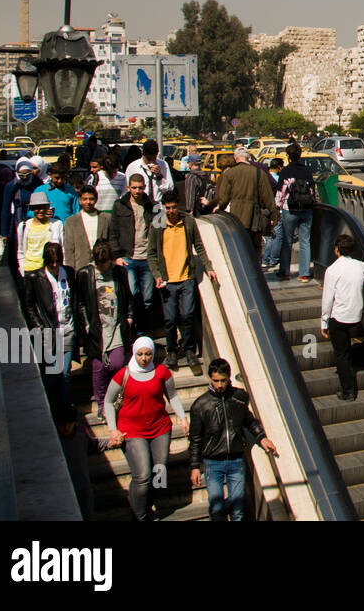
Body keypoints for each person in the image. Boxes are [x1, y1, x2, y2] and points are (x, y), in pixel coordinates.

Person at [104, 336, 188, 522]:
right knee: (142, 475)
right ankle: (140, 516)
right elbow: (108, 401)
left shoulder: (162, 372)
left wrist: (182, 417)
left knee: (160, 473)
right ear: (134, 353)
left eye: (148, 354)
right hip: (132, 431)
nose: (144, 358)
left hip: (160, 428)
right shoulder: (123, 374)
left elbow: (172, 396)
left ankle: (145, 505)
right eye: (140, 354)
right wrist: (112, 429)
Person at [187, 358, 279, 521]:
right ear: (210, 379)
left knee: (238, 509)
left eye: (223, 380)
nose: (220, 385)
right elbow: (195, 438)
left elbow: (249, 421)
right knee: (217, 509)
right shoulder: (200, 405)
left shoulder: (239, 397)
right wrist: (195, 466)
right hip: (212, 461)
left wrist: (262, 438)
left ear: (229, 377)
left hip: (236, 460)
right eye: (216, 381)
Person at [148, 190, 215, 373]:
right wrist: (157, 274)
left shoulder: (188, 222)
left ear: (179, 206)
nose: (170, 211)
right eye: (167, 208)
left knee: (187, 315)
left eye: (173, 207)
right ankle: (171, 350)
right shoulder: (158, 224)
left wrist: (208, 266)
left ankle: (188, 349)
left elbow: (198, 246)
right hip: (168, 280)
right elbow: (152, 253)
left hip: (186, 277)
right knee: (170, 318)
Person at [320, 234, 364, 401]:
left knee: (341, 354)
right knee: (347, 349)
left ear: (336, 250)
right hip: (355, 316)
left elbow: (328, 298)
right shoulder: (360, 265)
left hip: (339, 317)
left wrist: (324, 321)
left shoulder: (332, 270)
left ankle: (348, 390)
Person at [76, 239, 133, 424]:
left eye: (106, 263)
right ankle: (102, 404)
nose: (104, 267)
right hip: (97, 328)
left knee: (115, 365)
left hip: (116, 326)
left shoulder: (119, 273)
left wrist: (129, 317)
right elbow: (81, 302)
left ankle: (115, 398)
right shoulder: (85, 274)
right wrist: (86, 324)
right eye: (100, 264)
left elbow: (128, 297)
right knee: (98, 368)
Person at [22, 241, 77, 403]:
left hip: (67, 328)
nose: (54, 266)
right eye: (51, 262)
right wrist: (38, 325)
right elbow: (28, 304)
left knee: (65, 373)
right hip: (49, 332)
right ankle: (55, 408)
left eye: (57, 261)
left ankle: (63, 409)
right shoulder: (35, 277)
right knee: (53, 373)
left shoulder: (68, 273)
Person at [214, 146, 277, 261]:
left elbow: (223, 198)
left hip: (236, 219)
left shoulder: (229, 174)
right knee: (255, 249)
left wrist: (218, 208)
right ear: (248, 157)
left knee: (240, 249)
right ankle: (256, 272)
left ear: (235, 158)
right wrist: (274, 216)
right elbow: (268, 198)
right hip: (255, 219)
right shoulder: (259, 173)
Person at [110, 174, 157, 316]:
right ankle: (133, 328)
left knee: (148, 297)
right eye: (134, 188)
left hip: (147, 257)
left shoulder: (153, 206)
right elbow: (113, 232)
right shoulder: (119, 205)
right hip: (128, 257)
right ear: (129, 187)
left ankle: (143, 328)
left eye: (140, 188)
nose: (137, 191)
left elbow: (161, 232)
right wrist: (117, 256)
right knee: (131, 294)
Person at [54, 402, 111, 520]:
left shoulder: (80, 432)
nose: (65, 428)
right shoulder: (53, 439)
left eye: (69, 424)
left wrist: (110, 442)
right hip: (61, 490)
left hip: (83, 488)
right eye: (62, 425)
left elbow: (93, 444)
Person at [274, 143, 317, 281]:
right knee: (305, 241)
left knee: (287, 240)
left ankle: (284, 272)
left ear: (288, 156)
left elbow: (281, 191)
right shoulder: (306, 171)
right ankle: (304, 273)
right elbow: (312, 190)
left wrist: (278, 206)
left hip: (289, 209)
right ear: (300, 155)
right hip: (306, 209)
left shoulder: (286, 171)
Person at [63, 183, 112, 272]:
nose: (88, 202)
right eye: (85, 199)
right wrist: (70, 271)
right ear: (79, 200)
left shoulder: (106, 218)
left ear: (96, 200)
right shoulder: (71, 221)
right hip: (80, 268)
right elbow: (69, 250)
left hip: (103, 268)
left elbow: (111, 243)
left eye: (91, 199)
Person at [17, 190, 65, 280]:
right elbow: (20, 251)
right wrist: (23, 270)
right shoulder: (23, 226)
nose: (41, 210)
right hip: (29, 270)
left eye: (44, 207)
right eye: (37, 207)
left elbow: (62, 248)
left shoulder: (56, 224)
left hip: (48, 270)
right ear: (32, 208)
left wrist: (61, 269)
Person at [125, 139, 174, 205]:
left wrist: (159, 176)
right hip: (140, 205)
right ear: (142, 154)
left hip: (158, 206)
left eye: (154, 158)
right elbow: (126, 190)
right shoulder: (133, 167)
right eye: (148, 159)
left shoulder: (163, 165)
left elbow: (170, 189)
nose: (151, 162)